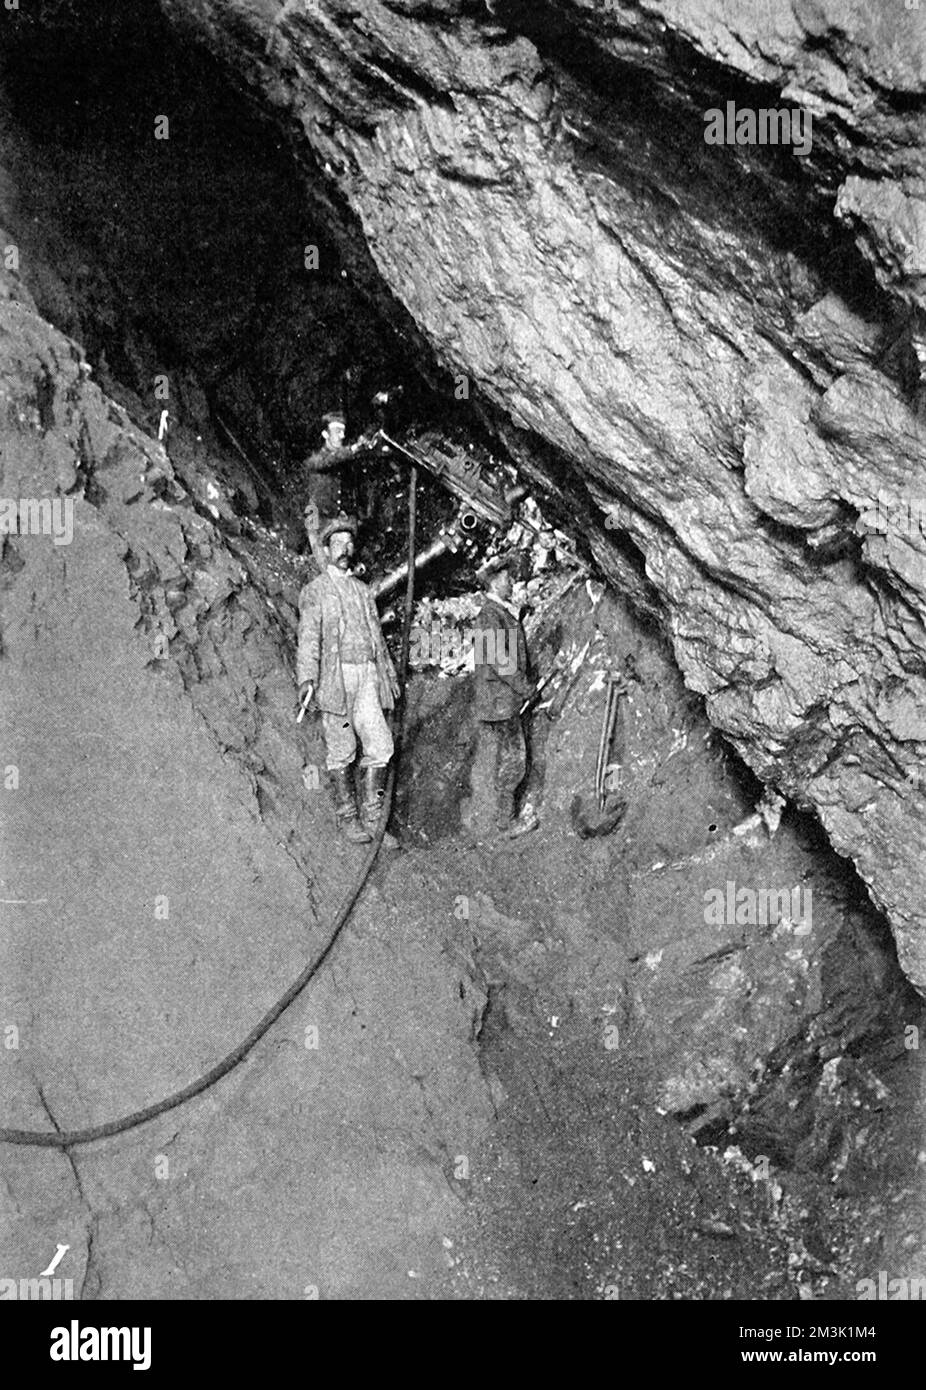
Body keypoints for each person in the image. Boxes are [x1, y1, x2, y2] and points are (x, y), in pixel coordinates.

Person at [296, 514, 400, 847]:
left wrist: (386, 675)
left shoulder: (362, 590)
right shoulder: (316, 591)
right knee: (342, 749)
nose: (346, 548)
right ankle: (349, 819)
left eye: (349, 542)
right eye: (338, 543)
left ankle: (374, 820)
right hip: (337, 680)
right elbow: (309, 639)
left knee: (381, 746)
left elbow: (377, 640)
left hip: (367, 676)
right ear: (325, 550)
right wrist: (307, 679)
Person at [469, 554, 539, 841]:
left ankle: (504, 818)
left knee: (511, 758)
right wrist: (525, 686)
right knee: (514, 760)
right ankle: (506, 822)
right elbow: (499, 660)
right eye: (507, 578)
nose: (511, 582)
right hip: (500, 700)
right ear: (495, 582)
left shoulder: (499, 613)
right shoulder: (489, 615)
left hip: (502, 699)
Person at [302, 411, 377, 568]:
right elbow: (330, 460)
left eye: (343, 431)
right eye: (337, 431)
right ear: (325, 434)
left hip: (336, 522)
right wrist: (355, 448)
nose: (342, 436)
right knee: (323, 564)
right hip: (316, 518)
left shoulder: (344, 460)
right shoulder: (315, 459)